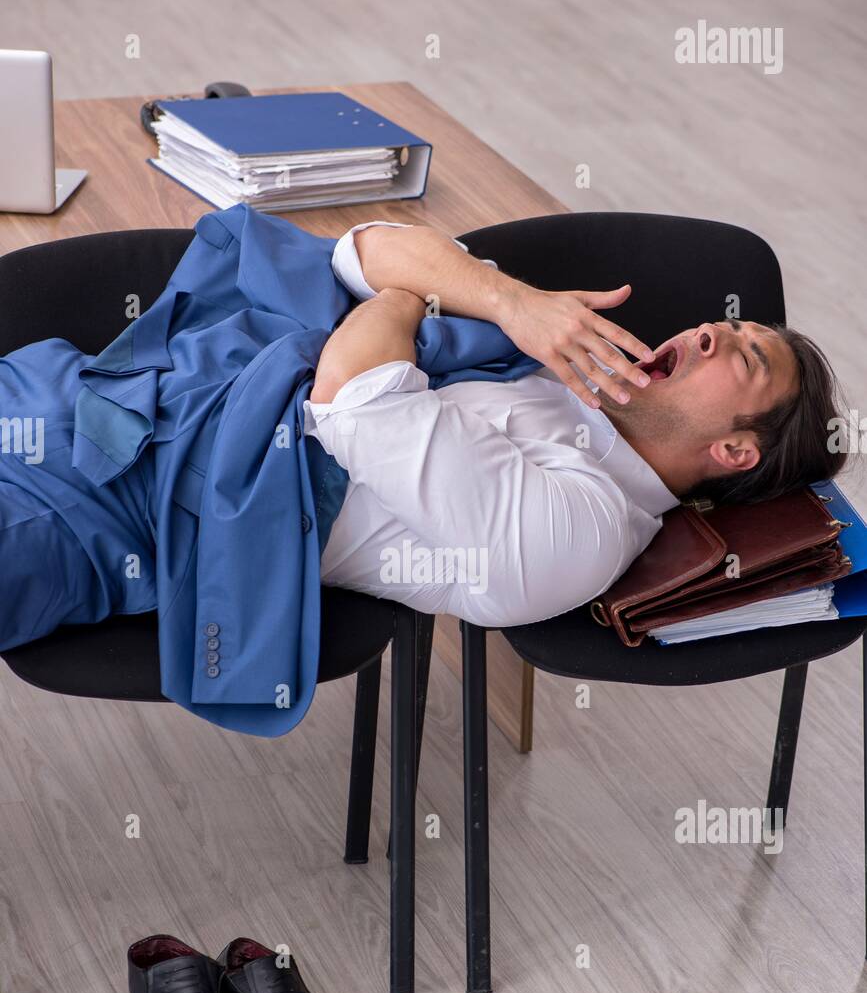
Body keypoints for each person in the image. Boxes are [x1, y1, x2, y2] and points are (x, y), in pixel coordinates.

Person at [0, 217, 844, 659]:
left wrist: (415, 302)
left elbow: (349, 395)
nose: (708, 330)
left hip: (114, 511)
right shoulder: (553, 362)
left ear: (737, 450)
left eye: (744, 355)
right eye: (720, 327)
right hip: (89, 391)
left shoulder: (580, 531)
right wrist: (507, 301)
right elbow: (365, 252)